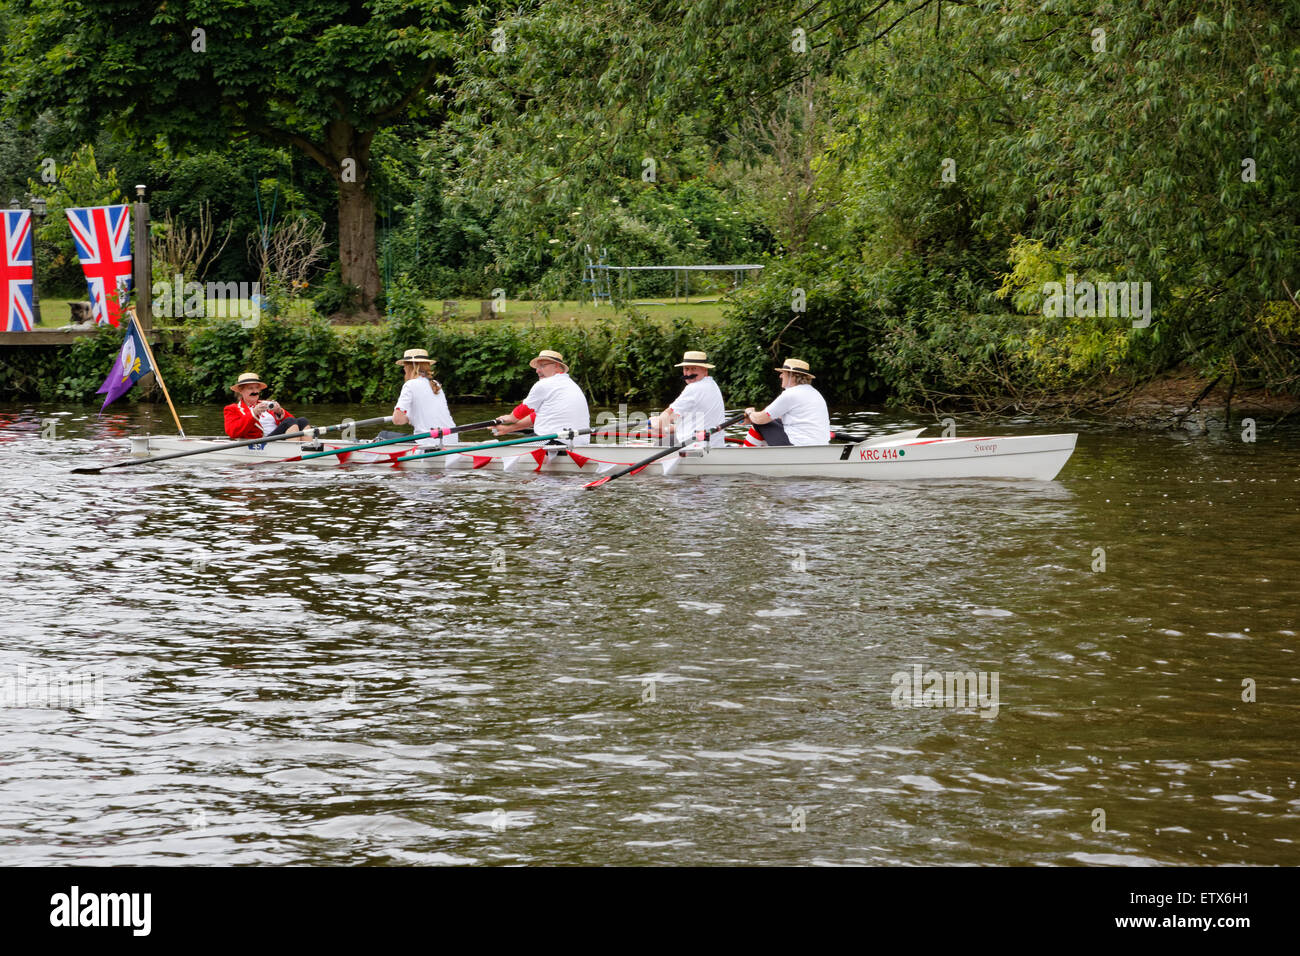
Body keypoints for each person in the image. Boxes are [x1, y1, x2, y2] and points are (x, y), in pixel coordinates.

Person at [491, 349, 591, 445]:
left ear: (556, 366)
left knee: (507, 449)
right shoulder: (571, 384)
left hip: (553, 441)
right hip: (579, 443)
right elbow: (536, 417)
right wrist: (508, 429)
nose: (537, 371)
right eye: (537, 367)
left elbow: (523, 410)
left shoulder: (544, 384)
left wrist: (510, 418)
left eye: (542, 366)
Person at [646, 350, 727, 447]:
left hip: (697, 445)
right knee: (668, 436)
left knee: (658, 445)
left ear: (705, 371)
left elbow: (667, 418)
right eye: (686, 369)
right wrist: (665, 428)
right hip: (715, 443)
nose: (688, 373)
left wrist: (655, 422)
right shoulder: (712, 384)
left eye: (693, 369)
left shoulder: (693, 388)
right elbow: (686, 424)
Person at [743, 358, 831, 446]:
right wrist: (754, 418)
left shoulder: (790, 394)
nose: (780, 376)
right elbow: (778, 416)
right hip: (821, 444)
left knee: (759, 424)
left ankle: (745, 452)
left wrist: (750, 413)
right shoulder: (815, 393)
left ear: (792, 375)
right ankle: (759, 449)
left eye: (783, 373)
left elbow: (760, 419)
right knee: (769, 421)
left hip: (798, 445)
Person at [387, 348, 458, 448]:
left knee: (383, 436)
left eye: (405, 365)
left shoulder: (410, 385)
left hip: (428, 442)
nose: (403, 369)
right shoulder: (436, 384)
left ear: (410, 367)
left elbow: (397, 420)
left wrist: (408, 418)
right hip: (452, 439)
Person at [223, 372, 310, 440]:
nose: (255, 391)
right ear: (241, 391)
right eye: (250, 388)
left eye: (257, 388)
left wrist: (279, 412)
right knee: (289, 421)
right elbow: (233, 432)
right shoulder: (231, 409)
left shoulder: (267, 404)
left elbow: (294, 423)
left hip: (277, 439)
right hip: (261, 441)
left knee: (302, 420)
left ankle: (308, 447)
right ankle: (295, 451)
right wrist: (254, 413)